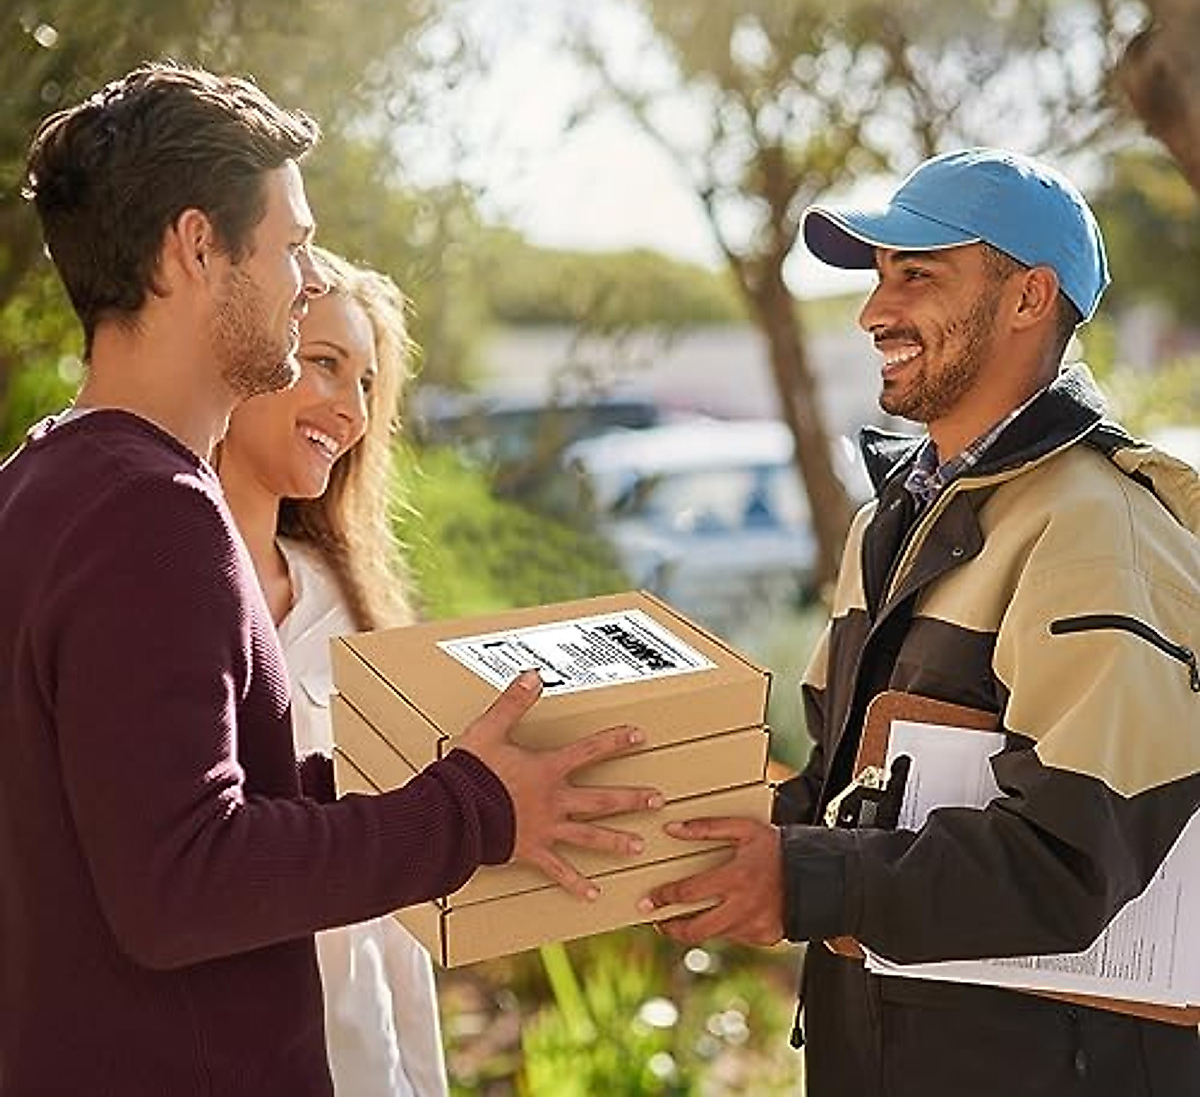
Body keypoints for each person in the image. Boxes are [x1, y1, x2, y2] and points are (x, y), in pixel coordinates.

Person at [0, 62, 660, 1097]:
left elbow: (137, 818)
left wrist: (441, 782)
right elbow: (181, 882)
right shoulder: (154, 515)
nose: (310, 280)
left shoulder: (38, 485)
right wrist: (467, 812)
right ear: (196, 247)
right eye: (292, 245)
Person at [641, 148, 1200, 1096]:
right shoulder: (887, 522)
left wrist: (801, 878)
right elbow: (841, 792)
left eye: (918, 274)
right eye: (877, 277)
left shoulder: (1100, 530)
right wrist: (685, 841)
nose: (873, 312)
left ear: (1030, 296)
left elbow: (1071, 858)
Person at [216, 247, 446, 1096]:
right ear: (244, 355)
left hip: (362, 1058)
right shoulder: (153, 583)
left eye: (365, 385)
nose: (348, 411)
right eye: (323, 363)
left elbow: (393, 920)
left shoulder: (347, 601)